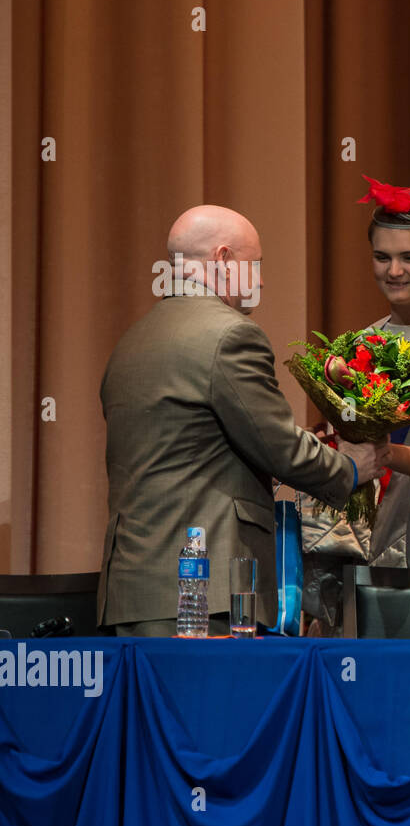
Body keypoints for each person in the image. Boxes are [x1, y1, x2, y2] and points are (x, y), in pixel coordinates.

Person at [98, 205, 389, 636]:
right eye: (255, 265)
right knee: (210, 705)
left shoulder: (131, 342)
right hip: (205, 591)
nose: (262, 280)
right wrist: (349, 467)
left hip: (130, 592)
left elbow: (194, 447)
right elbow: (278, 447)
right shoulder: (229, 335)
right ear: (222, 259)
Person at [300, 178, 410, 632]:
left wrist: (387, 456)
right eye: (382, 257)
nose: (394, 271)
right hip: (360, 544)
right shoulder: (359, 346)